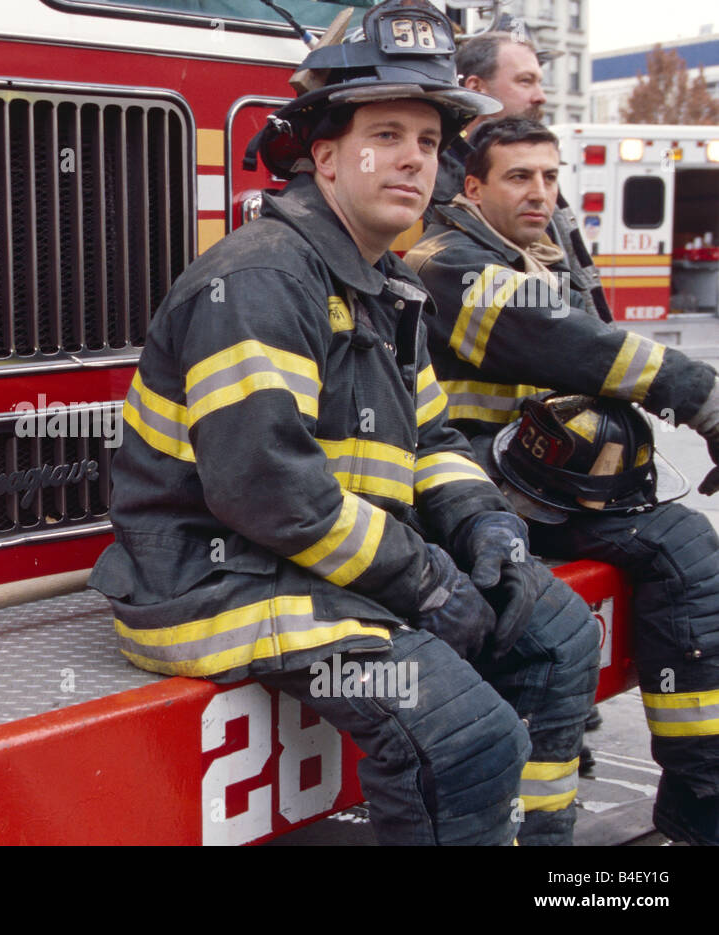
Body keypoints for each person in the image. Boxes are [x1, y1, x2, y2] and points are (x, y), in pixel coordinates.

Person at [89, 0, 600, 846]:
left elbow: (431, 440)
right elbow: (270, 492)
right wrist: (428, 583)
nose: (414, 160)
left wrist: (486, 527)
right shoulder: (260, 281)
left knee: (557, 634)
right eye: (387, 134)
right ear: (325, 155)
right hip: (218, 586)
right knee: (463, 739)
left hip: (315, 569)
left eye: (430, 143)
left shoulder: (387, 286)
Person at [406, 116, 719, 846]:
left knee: (685, 549)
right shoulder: (446, 262)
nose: (541, 192)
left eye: (550, 177)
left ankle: (701, 794)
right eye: (520, 177)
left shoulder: (534, 254)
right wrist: (702, 399)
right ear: (473, 188)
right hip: (471, 492)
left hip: (543, 486)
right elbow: (566, 342)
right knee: (623, 589)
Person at [430, 30, 612, 323]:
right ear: (476, 87)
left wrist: (589, 329)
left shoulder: (533, 176)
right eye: (525, 81)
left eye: (549, 177)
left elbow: (566, 283)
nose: (540, 97)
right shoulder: (436, 182)